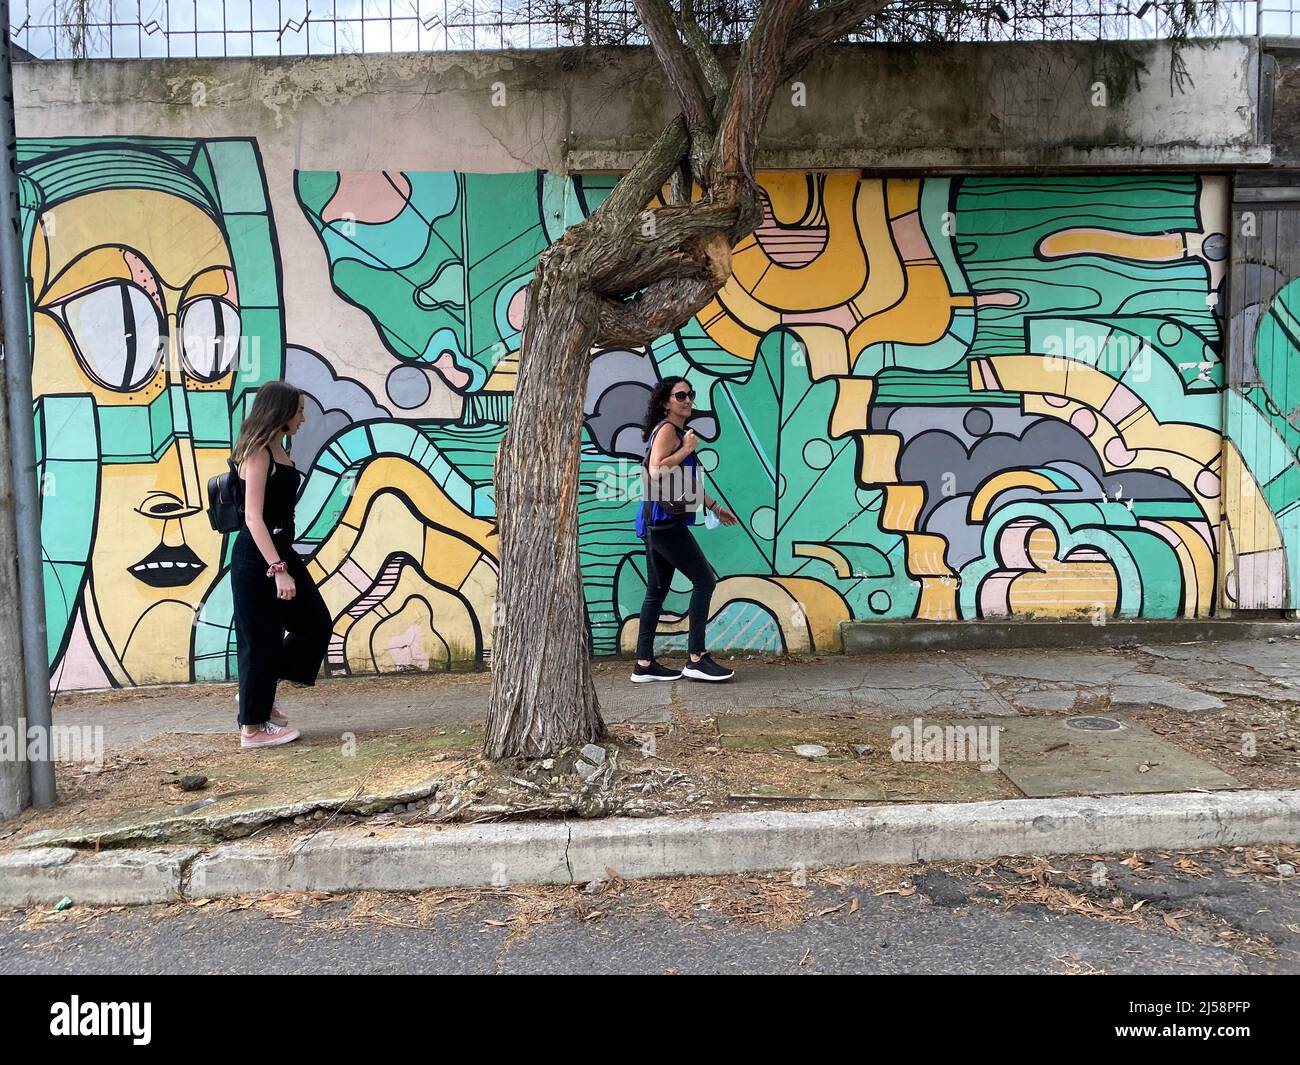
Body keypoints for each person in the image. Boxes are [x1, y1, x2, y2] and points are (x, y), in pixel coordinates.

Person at [230, 380, 332, 748]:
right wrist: (278, 569)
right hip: (258, 558)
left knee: (315, 623)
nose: (303, 417)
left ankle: (257, 693)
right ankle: (253, 729)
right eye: (299, 410)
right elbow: (253, 519)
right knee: (261, 641)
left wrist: (283, 562)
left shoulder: (279, 446)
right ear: (282, 412)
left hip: (280, 552)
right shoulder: (258, 452)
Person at [631, 377, 740, 683]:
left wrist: (714, 506)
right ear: (666, 402)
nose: (688, 399)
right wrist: (687, 448)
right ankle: (696, 658)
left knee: (656, 591)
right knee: (704, 580)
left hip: (657, 522)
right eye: (680, 395)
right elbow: (657, 470)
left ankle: (643, 663)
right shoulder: (668, 430)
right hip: (664, 523)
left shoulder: (673, 431)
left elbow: (682, 482)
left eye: (690, 394)